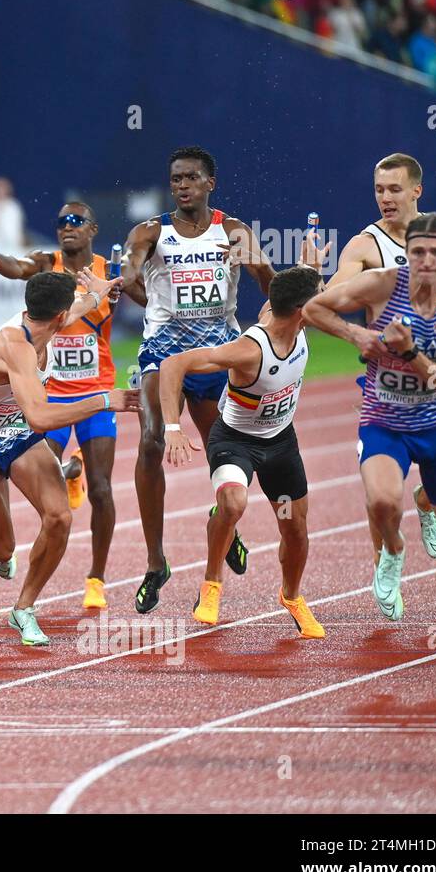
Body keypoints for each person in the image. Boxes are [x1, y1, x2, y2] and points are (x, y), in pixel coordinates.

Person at [303, 213, 436, 684]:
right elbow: (315, 309)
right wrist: (358, 334)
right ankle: (393, 548)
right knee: (382, 500)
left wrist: (410, 354)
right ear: (408, 253)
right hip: (385, 419)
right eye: (418, 251)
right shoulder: (382, 284)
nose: (425, 261)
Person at [119, 146, 275, 615]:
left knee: (222, 448)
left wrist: (262, 272)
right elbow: (128, 272)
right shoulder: (150, 231)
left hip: (215, 354)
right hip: (162, 350)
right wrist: (133, 277)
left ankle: (226, 523)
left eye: (191, 177)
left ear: (211, 182)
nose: (182, 185)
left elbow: (271, 284)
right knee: (150, 440)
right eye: (175, 179)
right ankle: (155, 560)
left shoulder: (234, 231)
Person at [0, 271, 139, 646]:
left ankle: (24, 608)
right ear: (57, 316)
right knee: (3, 549)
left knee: (59, 517)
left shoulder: (52, 320)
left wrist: (97, 292)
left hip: (17, 435)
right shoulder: (13, 345)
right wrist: (104, 399)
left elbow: (81, 305)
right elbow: (40, 417)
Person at [327, 153, 436, 561]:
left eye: (395, 189)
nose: (385, 198)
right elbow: (332, 293)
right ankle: (385, 558)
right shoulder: (365, 244)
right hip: (390, 385)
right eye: (379, 189)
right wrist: (311, 277)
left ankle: (426, 503)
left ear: (417, 190)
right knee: (381, 488)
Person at [161, 266, 327, 636]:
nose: (328, 301)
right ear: (302, 308)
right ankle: (211, 585)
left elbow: (284, 289)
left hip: (281, 447)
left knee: (294, 528)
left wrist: (309, 265)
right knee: (233, 504)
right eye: (321, 295)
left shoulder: (286, 315)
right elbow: (174, 364)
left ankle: (292, 596)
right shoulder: (249, 349)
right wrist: (173, 426)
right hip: (235, 443)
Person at [0, 201, 122, 609]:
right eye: (61, 222)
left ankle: (96, 578)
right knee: (41, 480)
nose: (67, 228)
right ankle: (64, 473)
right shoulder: (45, 262)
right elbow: (15, 266)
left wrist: (126, 286)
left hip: (96, 390)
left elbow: (142, 295)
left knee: (102, 488)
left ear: (93, 228)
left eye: (76, 221)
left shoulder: (106, 268)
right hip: (52, 392)